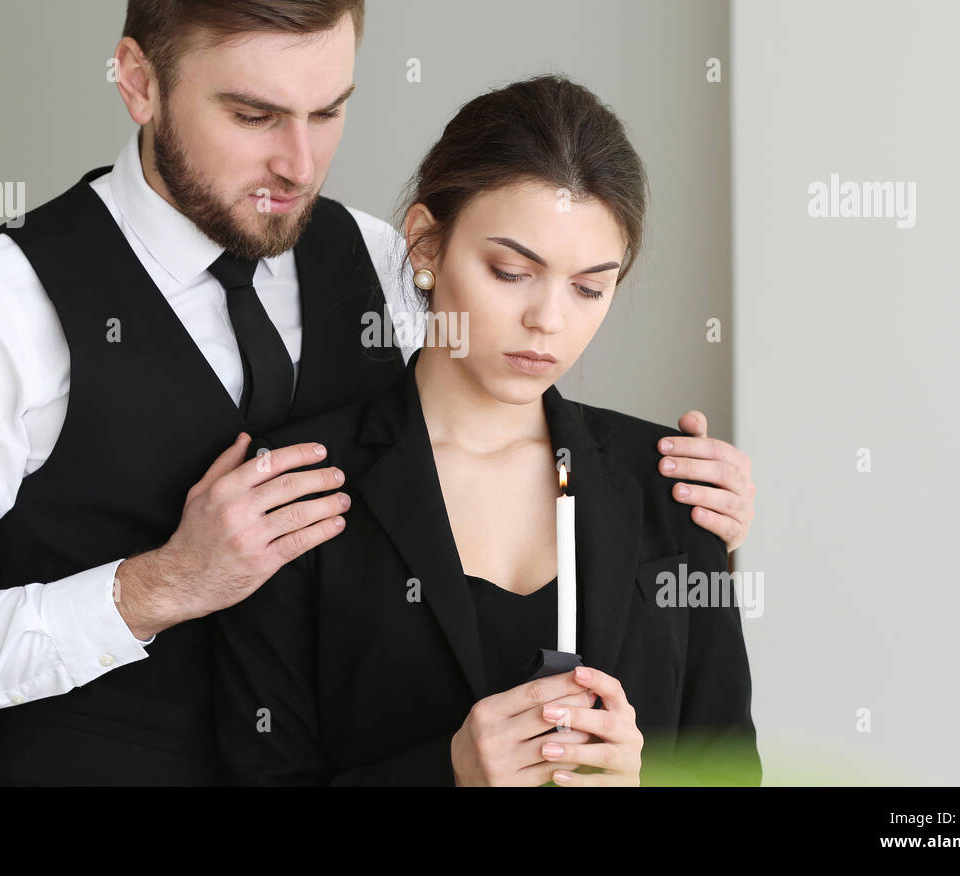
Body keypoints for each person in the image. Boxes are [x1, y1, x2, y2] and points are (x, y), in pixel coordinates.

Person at [0, 0, 756, 786]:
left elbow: (495, 446)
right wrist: (156, 587)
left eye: (328, 112)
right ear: (138, 80)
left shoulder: (385, 261)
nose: (300, 165)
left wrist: (681, 510)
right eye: (254, 115)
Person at [209, 74, 761, 786]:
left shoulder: (675, 484)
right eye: (510, 271)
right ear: (425, 246)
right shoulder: (299, 485)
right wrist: (449, 774)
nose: (549, 321)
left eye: (589, 288)